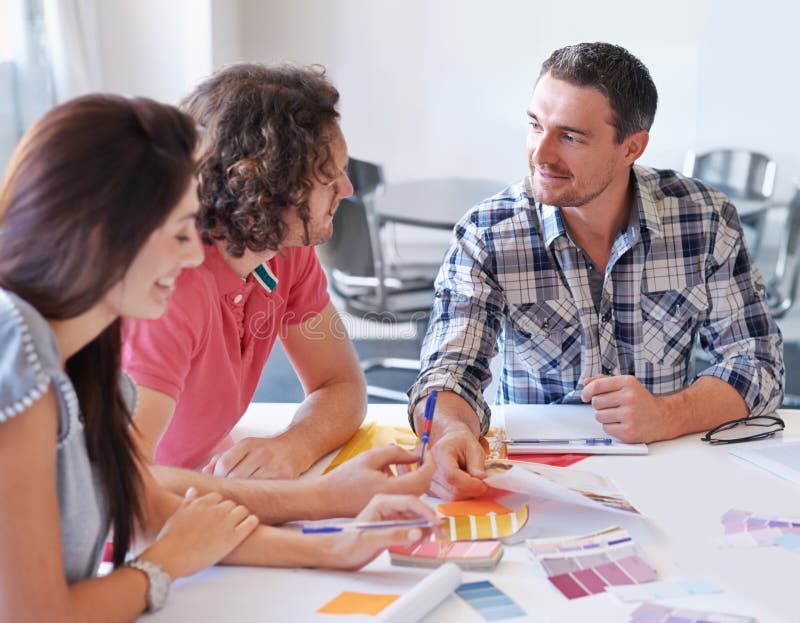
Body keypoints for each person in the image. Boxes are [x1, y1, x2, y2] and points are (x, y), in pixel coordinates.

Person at [0, 94, 438, 621]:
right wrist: (165, 564)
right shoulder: (21, 360)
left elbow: (138, 499)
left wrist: (331, 549)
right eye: (180, 233)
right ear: (105, 234)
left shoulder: (86, 355)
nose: (193, 255)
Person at [408, 42, 785, 500]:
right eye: (535, 126)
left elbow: (758, 364)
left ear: (632, 146)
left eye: (570, 137)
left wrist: (667, 414)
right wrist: (448, 432)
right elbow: (448, 372)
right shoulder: (489, 231)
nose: (540, 155)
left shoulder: (703, 218)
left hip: (669, 469)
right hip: (536, 484)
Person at [122, 63, 431, 522]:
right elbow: (125, 484)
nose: (347, 190)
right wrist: (320, 498)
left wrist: (294, 446)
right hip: (150, 521)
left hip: (206, 485)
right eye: (329, 180)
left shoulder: (284, 251)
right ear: (264, 193)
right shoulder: (172, 287)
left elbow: (341, 385)